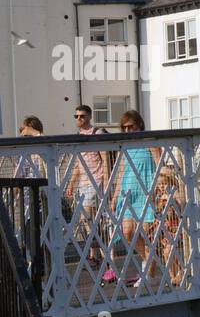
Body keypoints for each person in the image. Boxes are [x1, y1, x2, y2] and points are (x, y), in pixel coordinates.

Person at [111, 110, 160, 288]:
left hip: (146, 190)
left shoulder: (149, 142)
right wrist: (115, 196)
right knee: (127, 232)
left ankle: (149, 274)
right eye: (124, 127)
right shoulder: (125, 146)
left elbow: (159, 165)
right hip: (129, 192)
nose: (128, 130)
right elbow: (121, 172)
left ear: (139, 124)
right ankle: (148, 261)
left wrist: (155, 190)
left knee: (147, 235)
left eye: (131, 126)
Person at [66, 105, 109, 277]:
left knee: (89, 219)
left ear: (89, 116)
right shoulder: (78, 137)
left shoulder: (96, 134)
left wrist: (106, 182)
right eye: (76, 116)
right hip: (83, 182)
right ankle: (95, 253)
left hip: (96, 180)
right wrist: (71, 183)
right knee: (89, 221)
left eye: (82, 116)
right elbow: (77, 164)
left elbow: (104, 158)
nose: (79, 119)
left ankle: (97, 254)